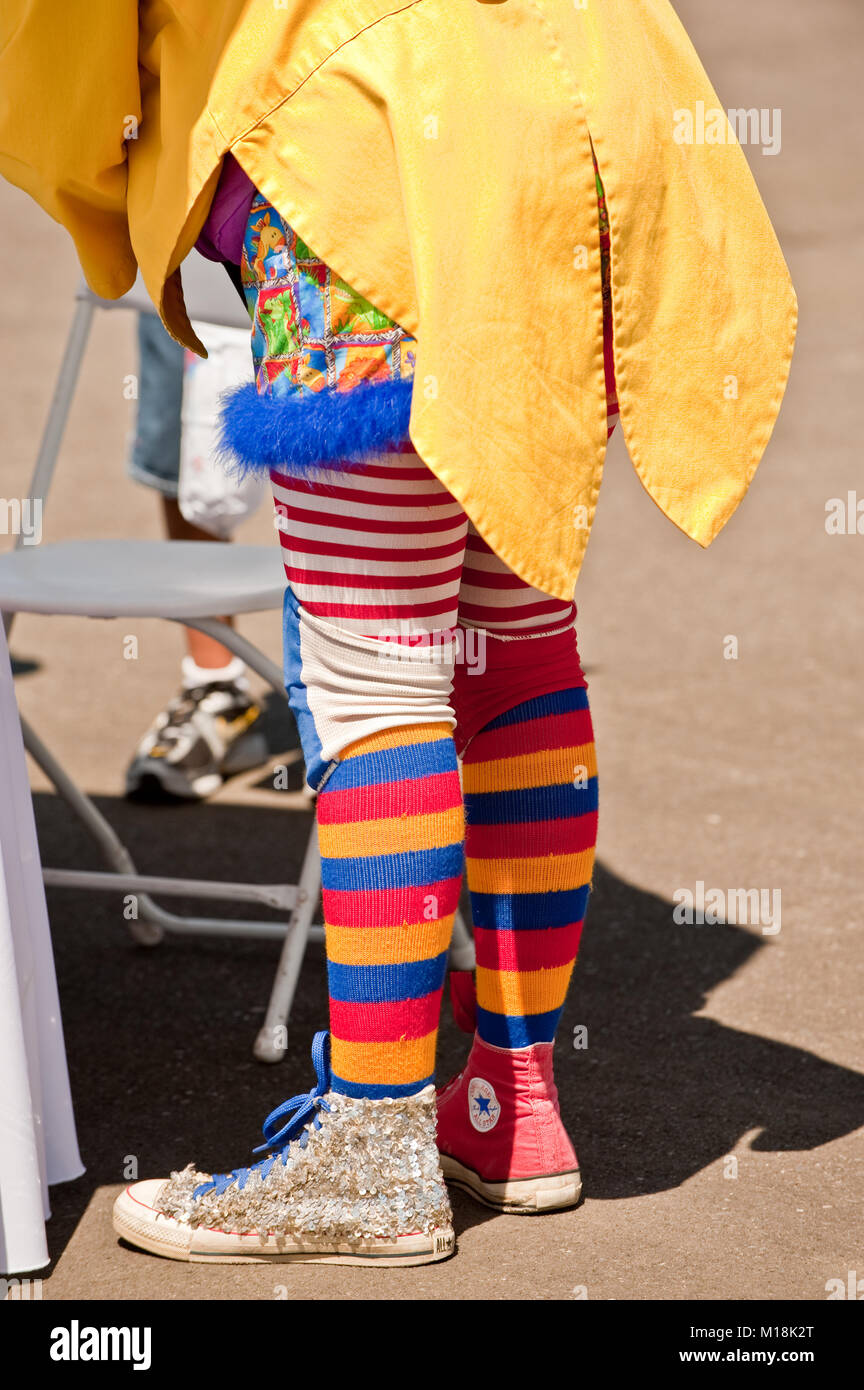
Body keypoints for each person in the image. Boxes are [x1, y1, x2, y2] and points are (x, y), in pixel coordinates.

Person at [0, 0, 796, 1267]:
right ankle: (510, 1106)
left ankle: (374, 1149)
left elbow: (55, 38)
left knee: (379, 670)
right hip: (584, 126)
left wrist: (94, 174)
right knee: (517, 633)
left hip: (366, 143)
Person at [125, 311, 269, 800]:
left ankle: (367, 698)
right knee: (184, 453)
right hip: (183, 248)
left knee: (354, 437)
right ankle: (216, 689)